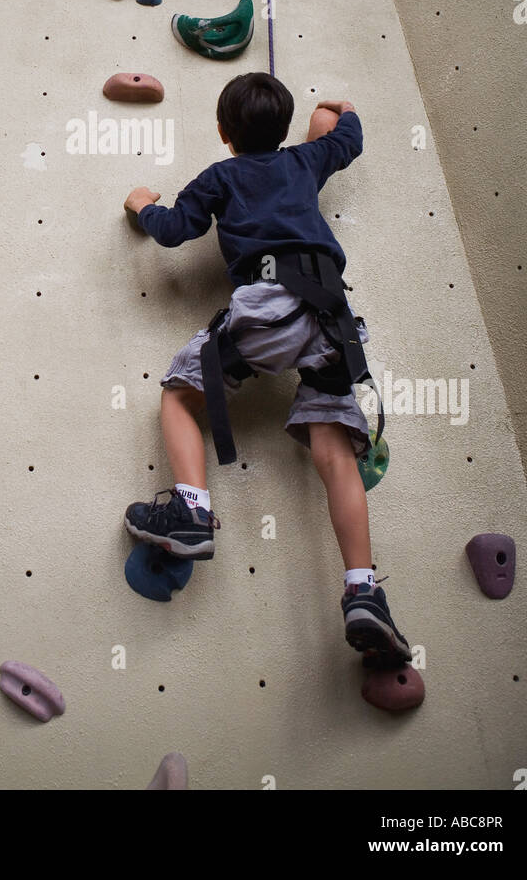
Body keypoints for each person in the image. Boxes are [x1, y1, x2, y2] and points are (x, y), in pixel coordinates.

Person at [122, 71, 411, 666]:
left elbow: (177, 231)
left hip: (269, 307)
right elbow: (344, 138)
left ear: (224, 132)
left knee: (179, 394)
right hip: (332, 315)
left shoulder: (222, 176)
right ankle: (363, 589)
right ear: (285, 129)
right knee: (333, 446)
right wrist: (339, 107)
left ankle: (192, 512)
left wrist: (144, 206)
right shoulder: (306, 161)